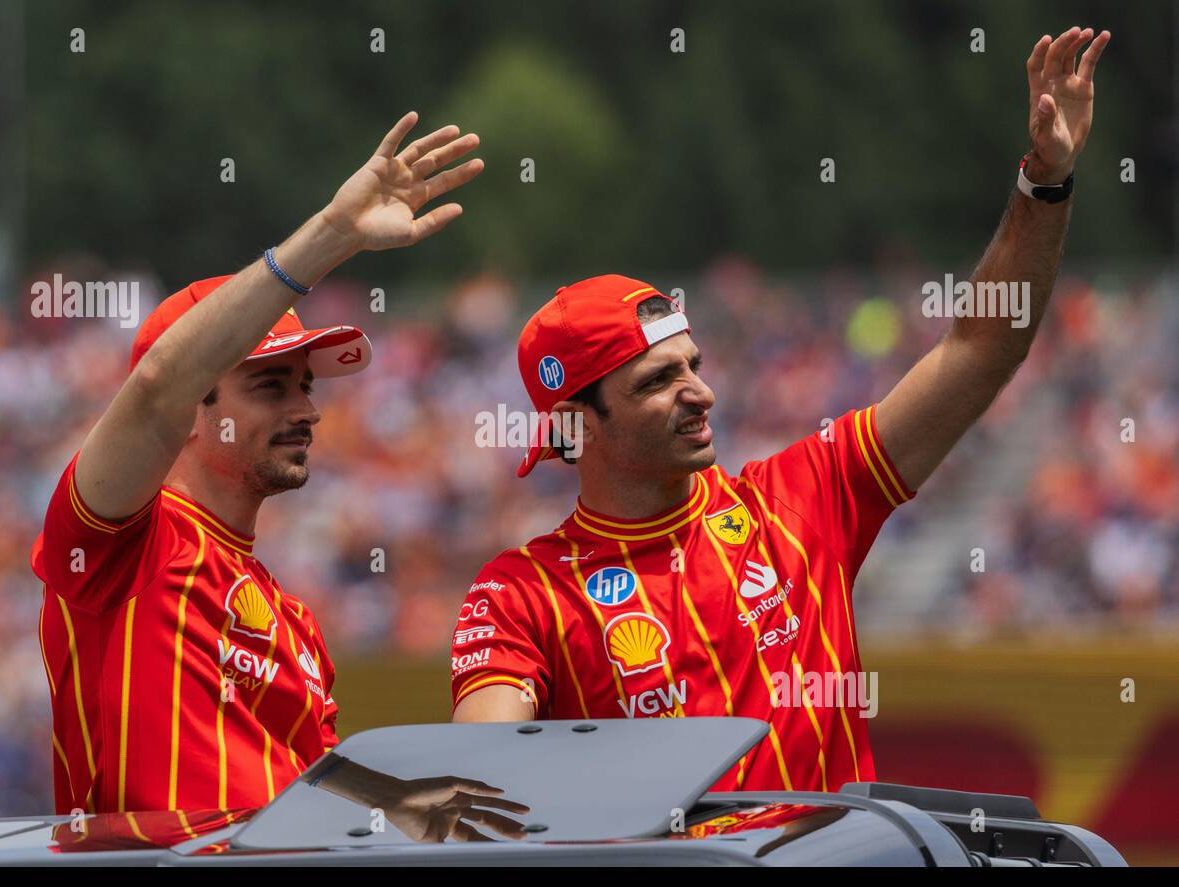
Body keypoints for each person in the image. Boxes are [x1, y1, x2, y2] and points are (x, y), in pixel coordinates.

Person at [450, 27, 1111, 795]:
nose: (699, 391)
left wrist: (1046, 181)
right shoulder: (520, 593)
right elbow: (480, 780)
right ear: (575, 424)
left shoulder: (804, 496)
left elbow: (981, 348)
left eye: (693, 365)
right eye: (658, 381)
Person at [31, 112, 489, 815]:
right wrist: (332, 236)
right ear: (193, 409)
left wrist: (400, 808)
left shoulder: (290, 614)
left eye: (306, 385)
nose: (306, 410)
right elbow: (156, 387)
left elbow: (306, 786)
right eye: (271, 387)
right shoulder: (118, 542)